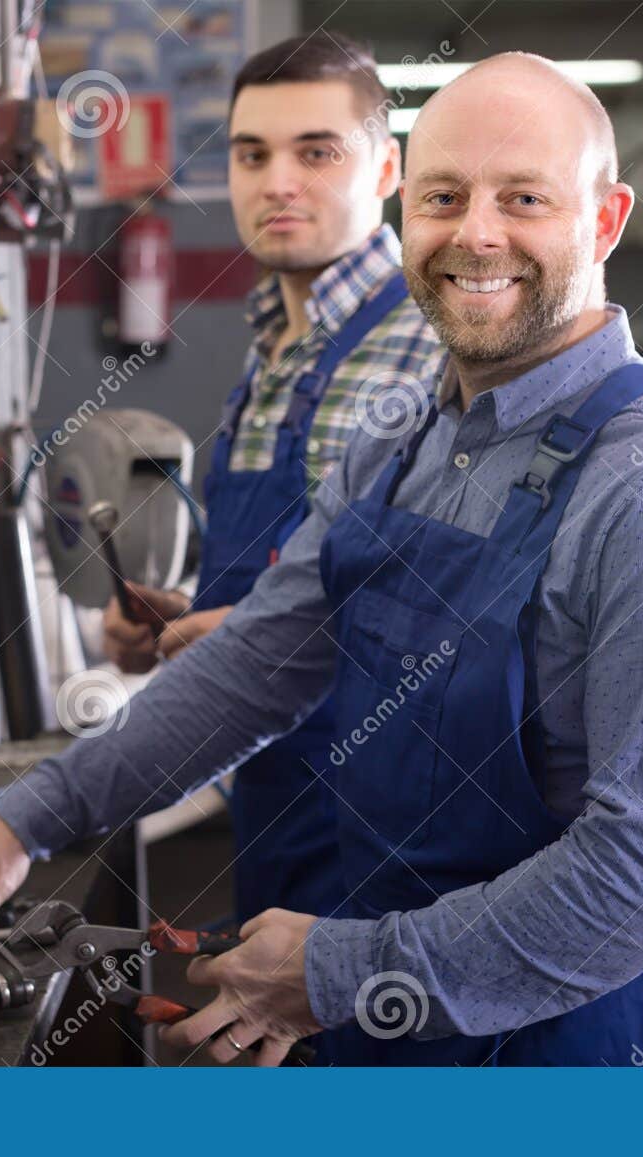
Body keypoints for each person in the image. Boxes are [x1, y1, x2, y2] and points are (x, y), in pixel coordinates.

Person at [0, 53, 643, 1067]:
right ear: (404, 202)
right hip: (399, 1031)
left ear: (603, 221)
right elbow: (254, 667)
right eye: (446, 196)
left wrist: (342, 972)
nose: (476, 234)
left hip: (596, 1049)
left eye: (524, 199)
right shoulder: (401, 442)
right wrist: (24, 821)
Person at [102, 31, 439, 924]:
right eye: (253, 154)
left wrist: (259, 635)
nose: (277, 182)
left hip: (391, 819)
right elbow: (292, 570)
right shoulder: (273, 344)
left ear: (386, 169)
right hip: (271, 798)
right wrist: (183, 616)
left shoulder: (432, 346)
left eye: (316, 151)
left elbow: (458, 609)